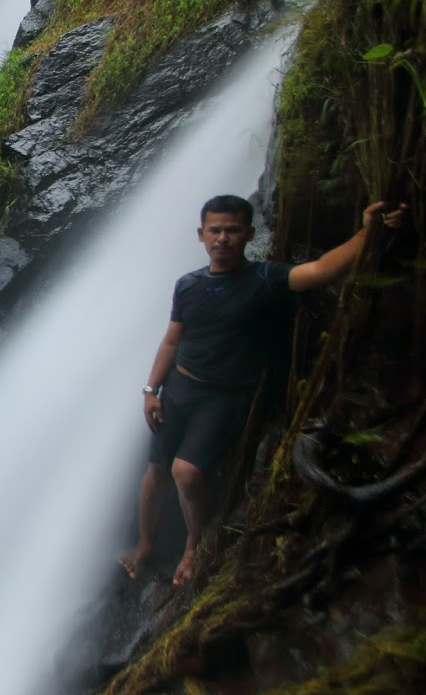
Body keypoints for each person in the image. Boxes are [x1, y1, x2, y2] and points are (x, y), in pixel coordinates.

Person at [119, 194, 407, 586]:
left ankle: (194, 546)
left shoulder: (264, 279)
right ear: (201, 235)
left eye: (232, 230)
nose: (223, 238)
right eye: (215, 230)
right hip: (179, 389)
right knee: (155, 473)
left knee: (185, 473)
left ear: (249, 234)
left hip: (223, 398)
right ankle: (145, 543)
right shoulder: (188, 285)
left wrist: (368, 231)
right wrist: (151, 389)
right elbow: (172, 341)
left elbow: (321, 271)